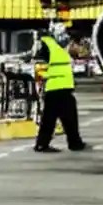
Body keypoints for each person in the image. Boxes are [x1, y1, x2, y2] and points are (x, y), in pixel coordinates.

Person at [32, 24, 87, 153]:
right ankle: (43, 144)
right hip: (55, 88)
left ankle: (73, 143)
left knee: (67, 118)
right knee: (51, 119)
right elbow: (39, 66)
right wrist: (46, 77)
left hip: (63, 88)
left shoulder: (59, 47)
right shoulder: (47, 45)